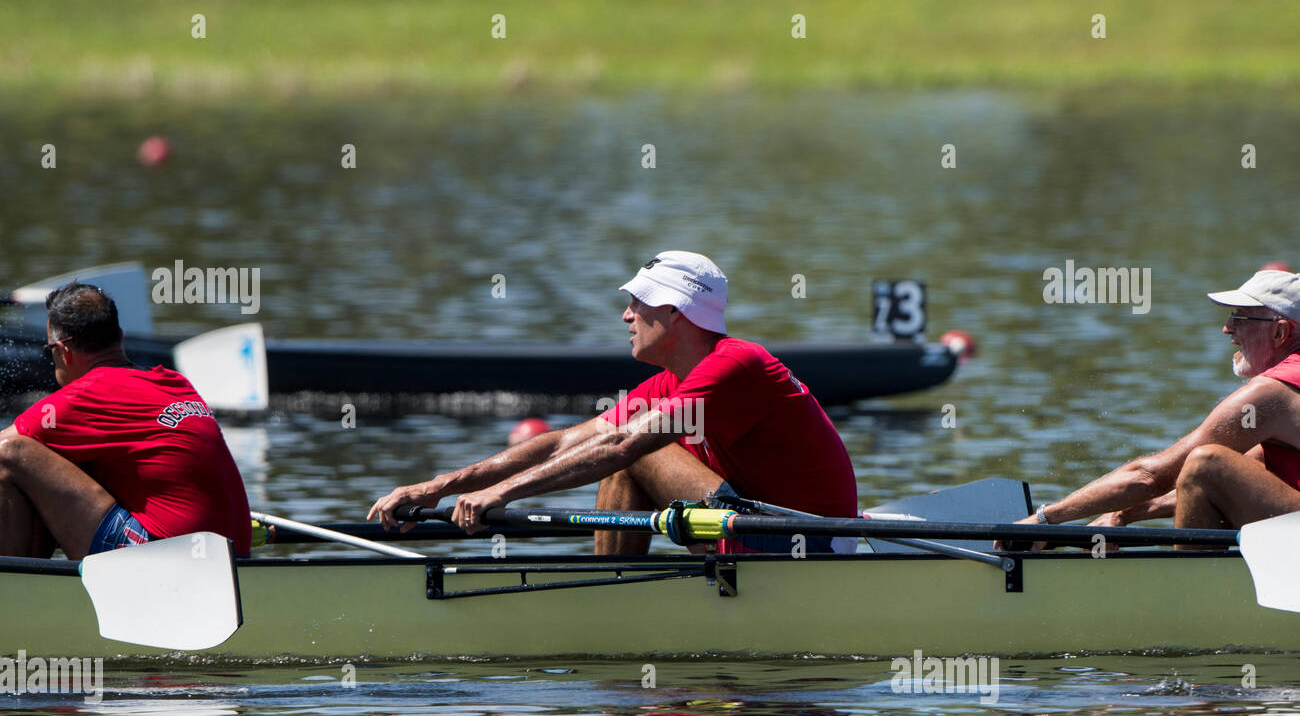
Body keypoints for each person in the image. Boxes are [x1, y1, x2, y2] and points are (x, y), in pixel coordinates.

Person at [369, 250, 859, 554]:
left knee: (632, 453)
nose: (626, 315)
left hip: (807, 545)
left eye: (638, 303)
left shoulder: (735, 366)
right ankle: (618, 589)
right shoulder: (671, 383)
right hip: (753, 528)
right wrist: (438, 485)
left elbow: (622, 447)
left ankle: (615, 594)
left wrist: (503, 495)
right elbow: (559, 443)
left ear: (675, 312)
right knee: (621, 445)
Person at [1008, 269, 1300, 543]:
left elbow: (1149, 477)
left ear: (1280, 333)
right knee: (1229, 464)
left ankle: (1191, 590)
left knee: (1205, 464)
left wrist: (1045, 519)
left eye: (1241, 318)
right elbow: (1249, 470)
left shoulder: (1270, 394)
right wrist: (1123, 513)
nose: (1227, 328)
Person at [0, 283, 252, 559]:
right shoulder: (175, 382)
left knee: (12, 453)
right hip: (231, 556)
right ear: (119, 337)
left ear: (63, 351)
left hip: (171, 560)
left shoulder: (87, 394)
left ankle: (17, 587)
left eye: (50, 351)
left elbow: (7, 444)